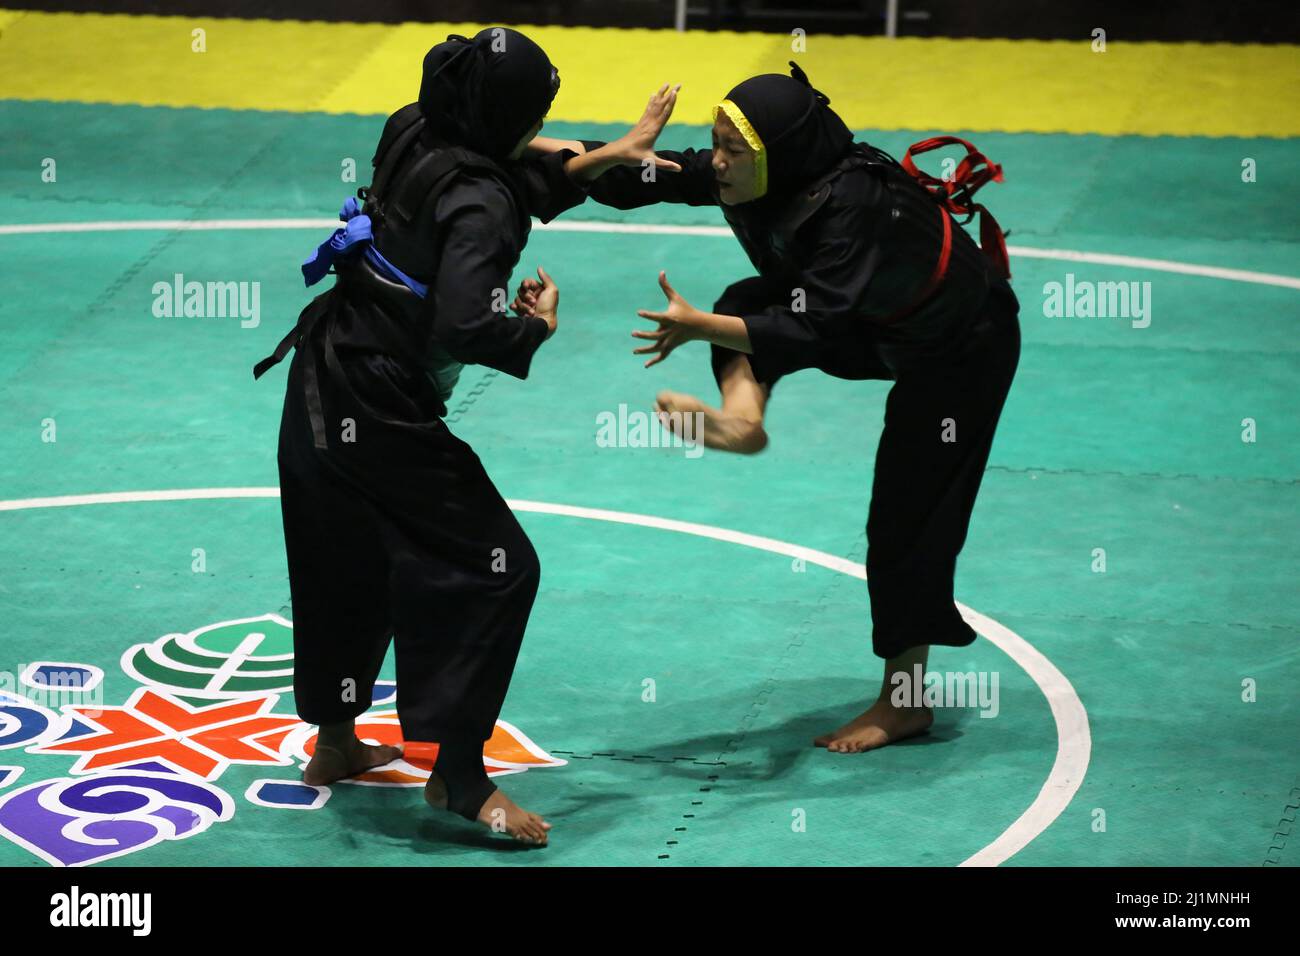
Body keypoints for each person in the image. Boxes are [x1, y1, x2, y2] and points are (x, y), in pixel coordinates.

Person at [254, 28, 680, 844]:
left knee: (344, 552)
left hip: (323, 370)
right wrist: (535, 328)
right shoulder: (483, 208)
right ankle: (458, 778)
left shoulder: (413, 122)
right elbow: (468, 320)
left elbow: (494, 171)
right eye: (536, 115)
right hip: (379, 405)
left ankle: (337, 742)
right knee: (500, 568)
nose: (546, 129)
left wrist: (609, 153)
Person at [520, 64, 1021, 754]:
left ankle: (905, 703)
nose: (717, 162)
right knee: (750, 300)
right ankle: (742, 418)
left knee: (908, 519)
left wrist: (698, 328)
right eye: (715, 142)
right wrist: (529, 145)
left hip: (959, 352)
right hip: (875, 326)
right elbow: (642, 176)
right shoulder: (756, 170)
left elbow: (816, 327)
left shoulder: (856, 209)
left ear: (779, 155)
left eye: (734, 151)